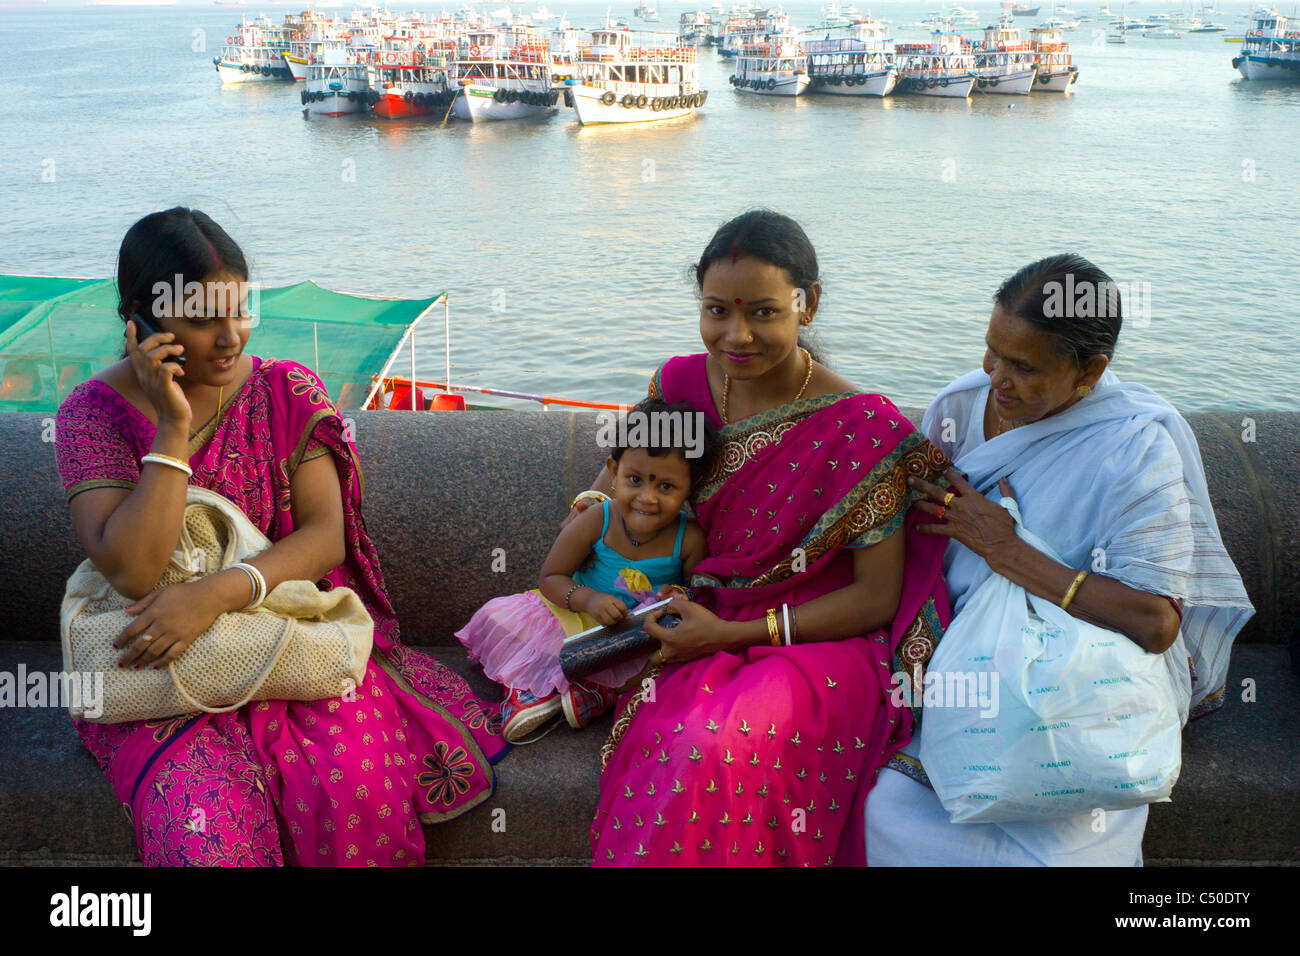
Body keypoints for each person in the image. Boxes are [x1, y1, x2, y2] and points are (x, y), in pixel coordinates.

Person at [54, 207, 507, 866]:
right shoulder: (91, 415)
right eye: (203, 319)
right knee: (203, 840)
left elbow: (326, 539)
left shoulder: (284, 389)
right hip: (160, 662)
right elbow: (132, 570)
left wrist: (215, 594)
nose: (230, 337)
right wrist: (171, 433)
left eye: (239, 311)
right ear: (141, 321)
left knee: (355, 789)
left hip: (285, 632)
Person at [580, 209, 955, 866]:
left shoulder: (861, 426)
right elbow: (630, 492)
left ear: (807, 307)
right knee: (679, 741)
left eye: (763, 313)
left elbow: (876, 597)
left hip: (815, 636)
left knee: (717, 743)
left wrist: (731, 635)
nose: (736, 335)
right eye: (717, 310)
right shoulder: (679, 386)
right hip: (699, 612)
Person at [864, 253, 1255, 866]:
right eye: (992, 351)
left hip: (1079, 682)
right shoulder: (958, 409)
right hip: (957, 661)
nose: (997, 377)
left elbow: (1156, 623)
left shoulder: (1135, 448)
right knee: (890, 815)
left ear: (1090, 370)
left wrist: (1007, 550)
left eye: (1025, 367)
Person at [455, 396, 713, 742]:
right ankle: (533, 692)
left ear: (688, 490)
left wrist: (679, 596)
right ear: (614, 471)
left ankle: (594, 694)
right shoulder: (597, 519)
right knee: (497, 617)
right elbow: (550, 578)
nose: (647, 498)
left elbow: (699, 594)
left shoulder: (690, 539)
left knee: (669, 663)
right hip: (575, 618)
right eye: (634, 480)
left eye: (665, 486)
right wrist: (588, 599)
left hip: (635, 635)